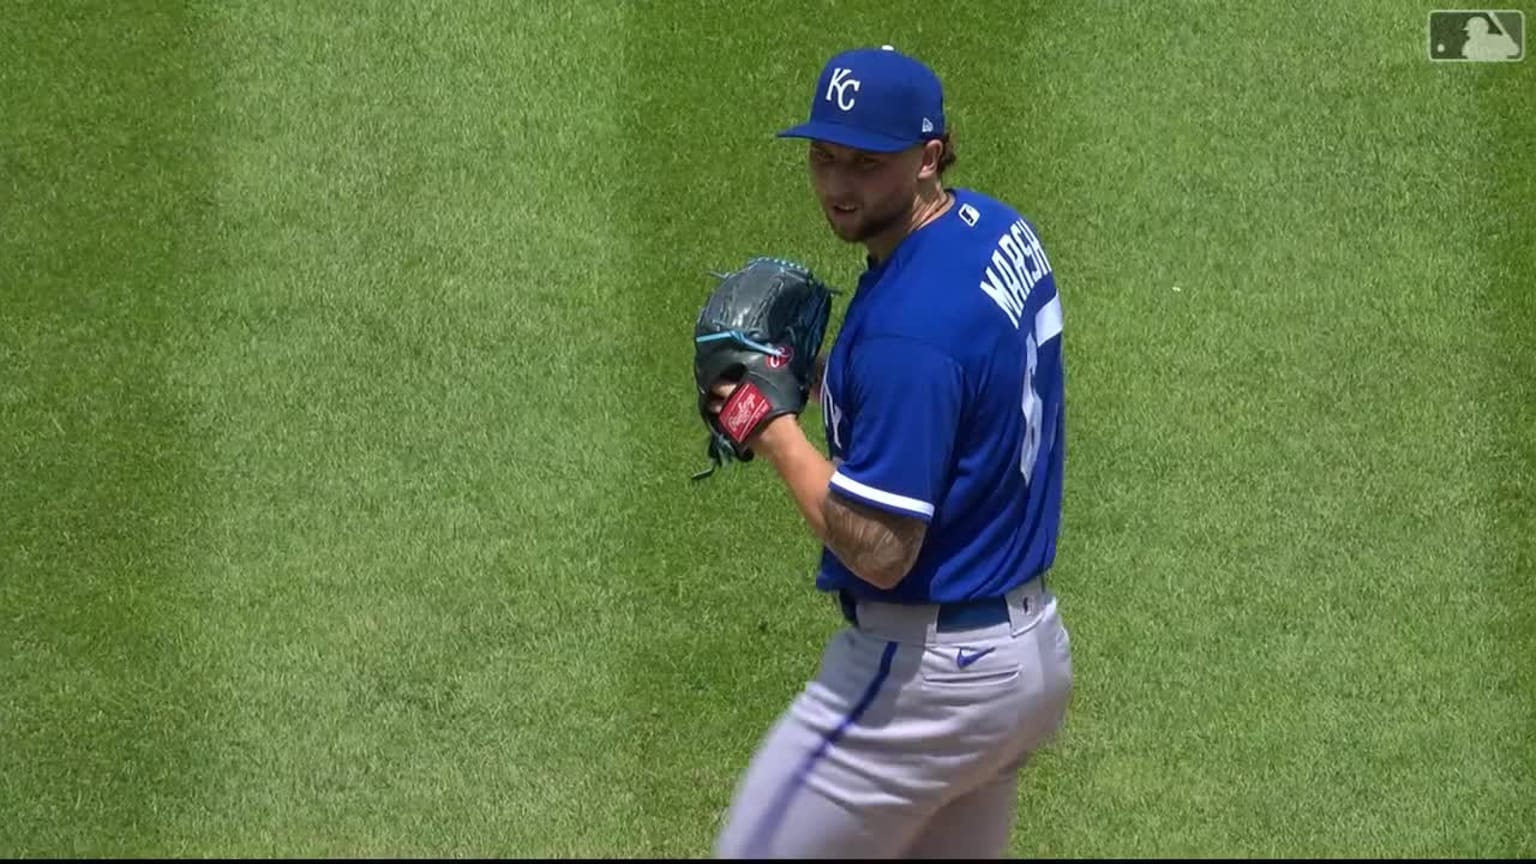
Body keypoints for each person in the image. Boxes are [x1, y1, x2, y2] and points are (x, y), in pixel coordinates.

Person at [708, 45, 1074, 859]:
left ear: (928, 157)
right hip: (1023, 656)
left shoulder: (909, 334)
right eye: (823, 157)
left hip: (926, 685)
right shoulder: (998, 229)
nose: (838, 185)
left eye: (867, 164)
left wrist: (773, 427)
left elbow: (881, 548)